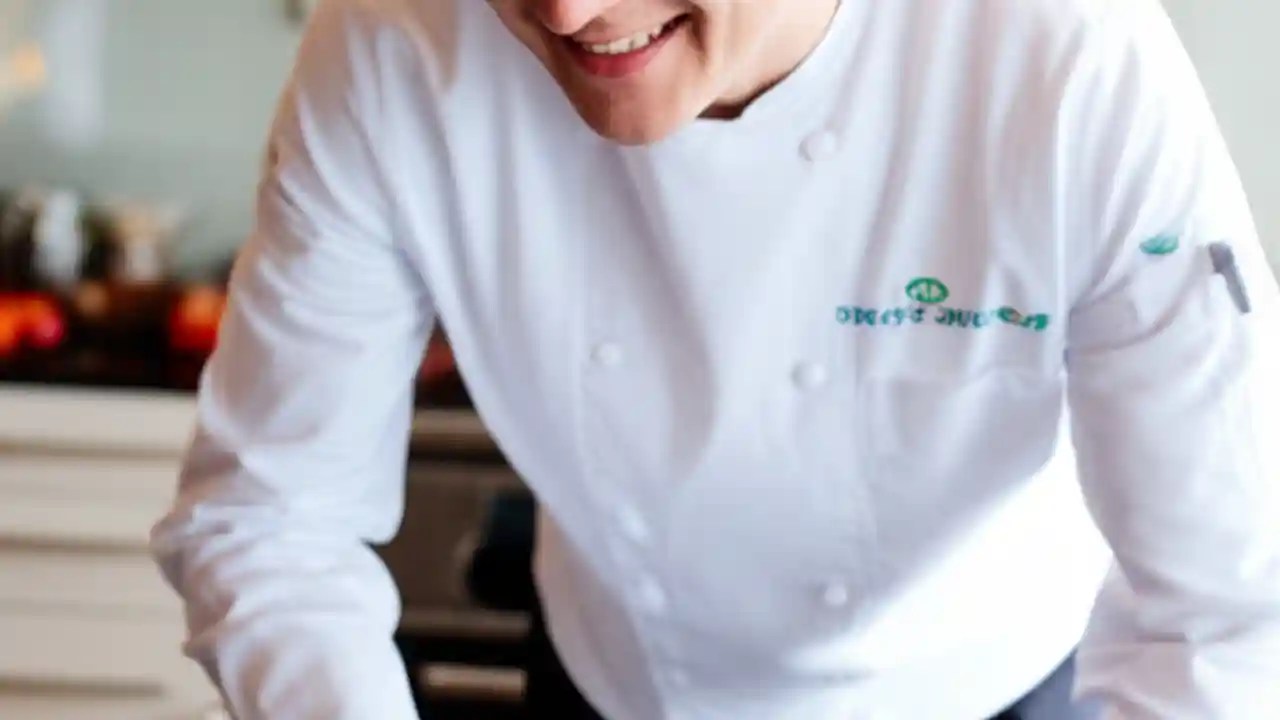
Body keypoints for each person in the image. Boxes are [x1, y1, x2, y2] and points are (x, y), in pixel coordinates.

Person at [151, 0, 1280, 717]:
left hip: (1002, 684)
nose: (565, 8)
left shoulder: (1070, 62)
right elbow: (268, 524)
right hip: (621, 683)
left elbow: (1230, 609)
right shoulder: (386, 49)